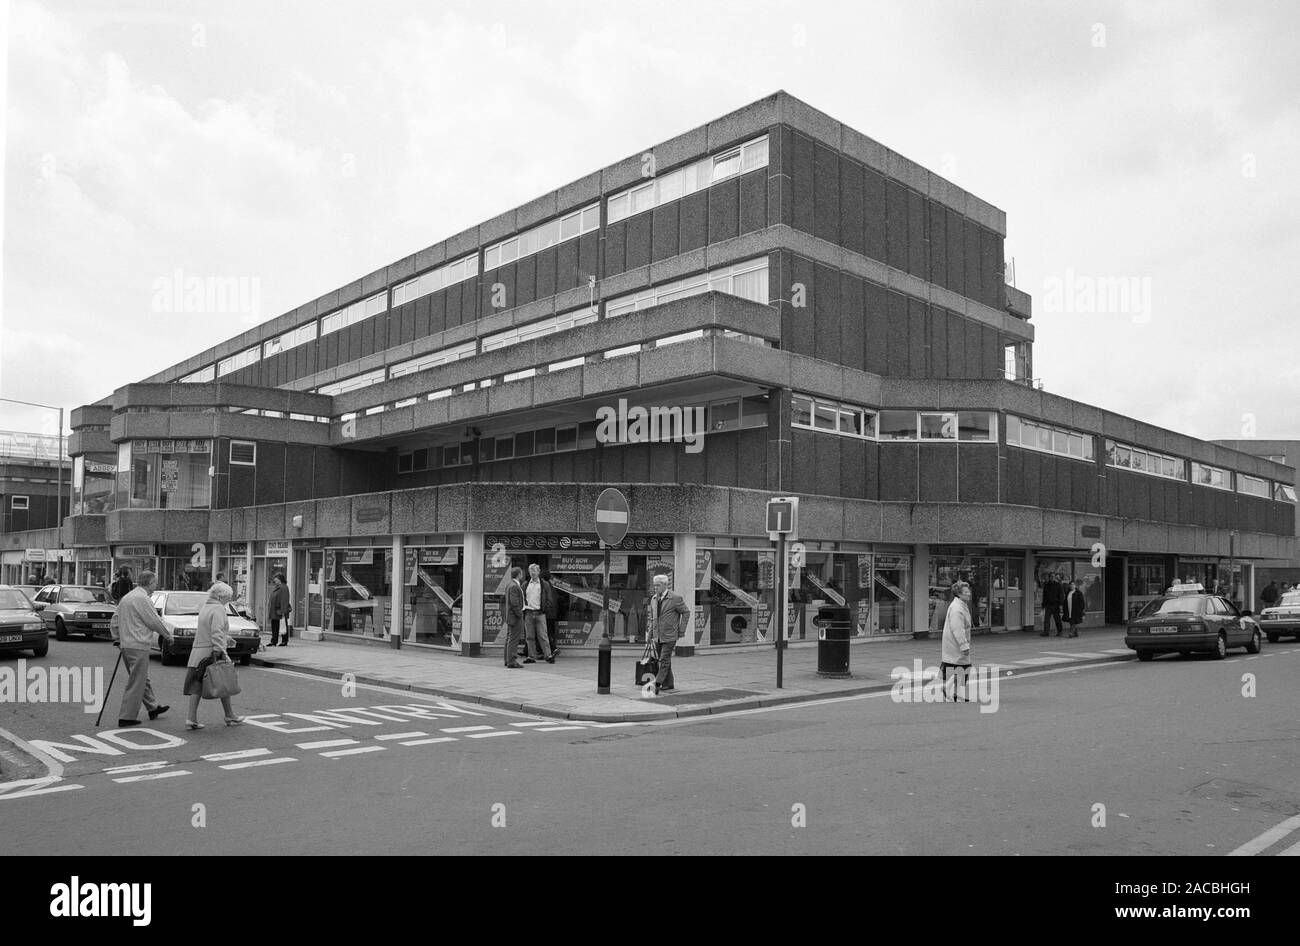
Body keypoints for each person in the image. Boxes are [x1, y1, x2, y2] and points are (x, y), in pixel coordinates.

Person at [108, 570, 175, 727]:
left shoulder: (127, 597)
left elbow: (115, 619)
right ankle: (127, 717)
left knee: (140, 678)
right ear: (150, 583)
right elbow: (154, 621)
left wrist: (117, 638)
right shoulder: (142, 599)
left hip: (127, 644)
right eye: (155, 583)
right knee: (137, 681)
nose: (155, 586)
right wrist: (167, 635)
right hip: (138, 644)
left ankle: (152, 707)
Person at [183, 582, 244, 729]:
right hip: (211, 651)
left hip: (198, 651)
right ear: (221, 596)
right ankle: (229, 716)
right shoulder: (218, 609)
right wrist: (220, 650)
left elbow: (207, 629)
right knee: (223, 681)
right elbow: (216, 630)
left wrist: (226, 638)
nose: (228, 600)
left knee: (196, 685)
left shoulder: (206, 606)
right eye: (228, 597)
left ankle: (192, 718)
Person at [647, 573, 690, 694]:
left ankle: (657, 684)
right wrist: (650, 634)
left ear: (666, 585)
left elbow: (686, 612)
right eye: (654, 585)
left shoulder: (675, 598)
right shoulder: (654, 599)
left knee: (664, 660)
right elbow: (653, 618)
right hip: (657, 635)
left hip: (670, 635)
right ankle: (669, 684)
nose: (655, 588)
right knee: (666, 660)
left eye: (658, 585)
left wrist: (681, 630)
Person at [941, 581, 973, 701]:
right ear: (959, 594)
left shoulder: (961, 605)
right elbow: (957, 629)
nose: (969, 593)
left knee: (960, 668)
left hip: (955, 643)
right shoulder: (957, 609)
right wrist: (964, 645)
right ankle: (947, 688)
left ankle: (954, 692)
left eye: (968, 591)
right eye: (965, 592)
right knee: (964, 667)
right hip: (956, 644)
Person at [521, 563, 554, 664]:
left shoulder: (545, 584)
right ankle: (531, 656)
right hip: (529, 613)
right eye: (531, 571)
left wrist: (545, 609)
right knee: (529, 636)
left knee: (543, 635)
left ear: (538, 572)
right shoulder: (525, 585)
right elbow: (521, 598)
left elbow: (549, 599)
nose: (532, 573)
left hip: (540, 613)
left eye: (534, 571)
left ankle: (548, 655)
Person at [502, 567, 525, 669]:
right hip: (515, 617)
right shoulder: (514, 586)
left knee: (509, 638)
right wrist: (520, 614)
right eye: (521, 573)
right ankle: (512, 661)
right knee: (514, 639)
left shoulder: (509, 585)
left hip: (510, 616)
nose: (522, 575)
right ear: (519, 574)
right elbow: (514, 603)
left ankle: (507, 660)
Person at [269, 573, 292, 647]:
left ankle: (284, 641)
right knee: (274, 625)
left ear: (280, 580)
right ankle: (274, 641)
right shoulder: (277, 587)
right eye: (275, 580)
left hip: (280, 610)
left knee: (282, 625)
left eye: (276, 580)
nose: (275, 581)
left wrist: (283, 610)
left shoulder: (283, 587)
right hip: (274, 610)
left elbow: (284, 600)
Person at [1040, 572, 1064, 637]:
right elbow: (1044, 596)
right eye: (1051, 576)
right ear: (1049, 577)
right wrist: (1043, 605)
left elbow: (1061, 595)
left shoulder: (1058, 585)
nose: (1052, 577)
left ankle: (1060, 631)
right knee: (1046, 619)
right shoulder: (1046, 585)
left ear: (1055, 577)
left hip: (1056, 604)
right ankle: (1046, 632)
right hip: (1048, 604)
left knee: (1057, 619)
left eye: (1053, 576)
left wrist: (1061, 604)